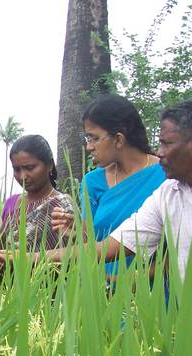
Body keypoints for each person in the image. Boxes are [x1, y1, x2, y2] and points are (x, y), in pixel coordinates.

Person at [3, 99, 192, 314]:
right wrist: (32, 258)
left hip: (158, 304)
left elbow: (163, 264)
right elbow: (109, 247)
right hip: (189, 329)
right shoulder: (168, 195)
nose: (160, 152)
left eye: (166, 143)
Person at [50, 94, 166, 277]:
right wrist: (76, 231)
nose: (89, 147)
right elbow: (93, 242)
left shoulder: (165, 175)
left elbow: (178, 252)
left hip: (152, 292)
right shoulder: (92, 182)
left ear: (119, 139)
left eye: (94, 138)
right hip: (102, 291)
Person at [0, 135, 74, 251]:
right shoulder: (12, 203)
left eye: (30, 168)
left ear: (49, 165)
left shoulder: (62, 204)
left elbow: (81, 248)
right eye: (17, 169)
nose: (22, 176)